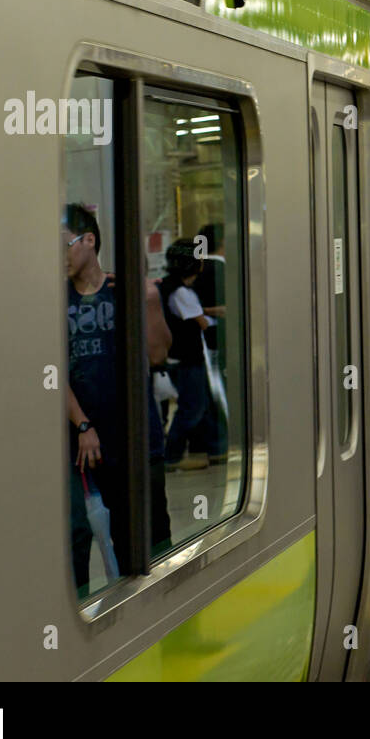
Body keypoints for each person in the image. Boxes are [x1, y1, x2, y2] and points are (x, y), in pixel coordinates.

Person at [64, 203, 172, 595]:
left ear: (88, 240)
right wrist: (83, 425)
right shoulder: (57, 300)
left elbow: (158, 354)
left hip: (139, 442)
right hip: (88, 450)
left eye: (64, 244)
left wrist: (149, 303)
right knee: (87, 539)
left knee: (149, 546)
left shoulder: (124, 289)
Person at [160, 239, 214, 471]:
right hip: (186, 358)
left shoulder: (170, 286)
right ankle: (172, 456)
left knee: (194, 405)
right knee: (192, 407)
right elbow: (202, 322)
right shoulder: (182, 291)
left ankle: (202, 447)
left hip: (178, 357)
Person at [193, 222, 228, 466]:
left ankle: (204, 444)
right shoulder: (225, 270)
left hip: (199, 343)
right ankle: (220, 444)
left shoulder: (196, 270)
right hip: (220, 340)